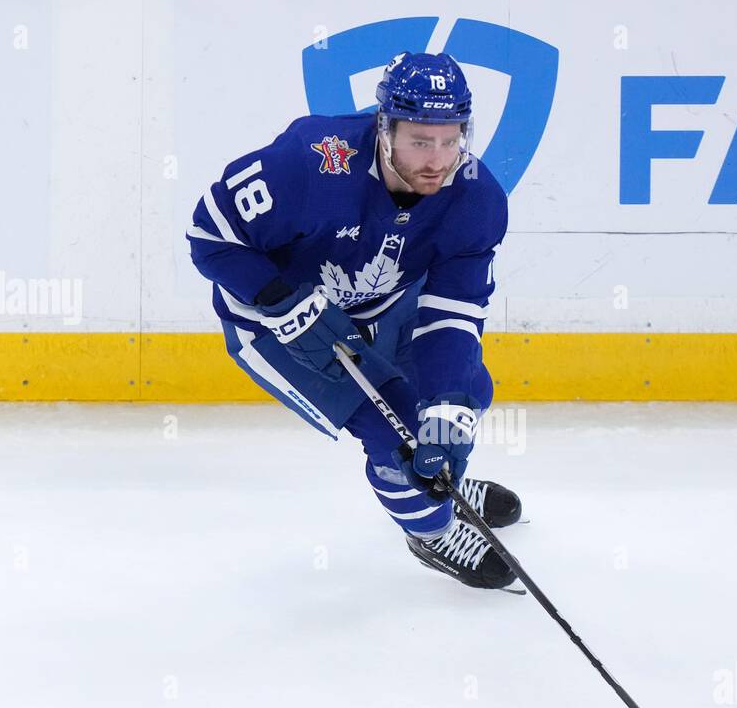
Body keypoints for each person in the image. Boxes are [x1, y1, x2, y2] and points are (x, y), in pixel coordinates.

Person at [187, 51, 522, 590]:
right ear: (383, 127)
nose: (438, 158)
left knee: (461, 399)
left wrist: (445, 407)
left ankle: (440, 479)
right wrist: (279, 300)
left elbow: (452, 316)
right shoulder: (309, 164)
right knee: (397, 441)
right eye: (419, 139)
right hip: (274, 323)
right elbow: (209, 236)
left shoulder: (476, 198)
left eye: (451, 137)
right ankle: (432, 532)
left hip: (382, 303)